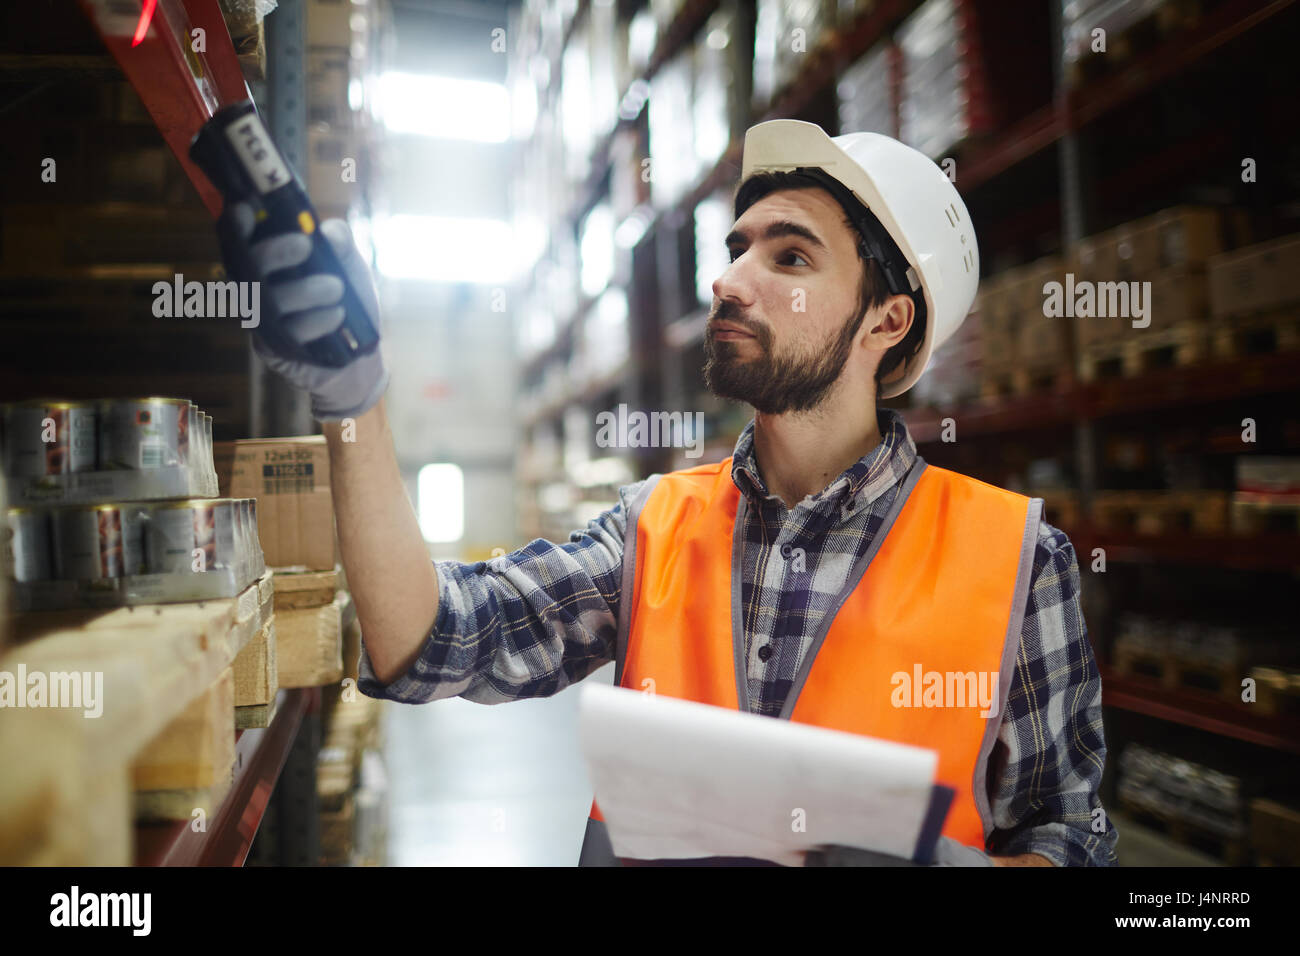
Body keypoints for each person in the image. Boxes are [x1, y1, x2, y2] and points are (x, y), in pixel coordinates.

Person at [216, 118, 1118, 868]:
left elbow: (1069, 831)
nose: (729, 280)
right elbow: (428, 639)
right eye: (737, 249)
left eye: (790, 257)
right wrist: (354, 401)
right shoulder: (654, 526)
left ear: (887, 320)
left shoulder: (1016, 560)